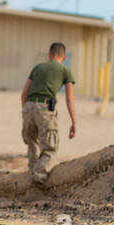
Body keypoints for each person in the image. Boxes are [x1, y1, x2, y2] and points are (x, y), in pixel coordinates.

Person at [20, 42, 77, 185]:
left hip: (28, 107)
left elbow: (24, 94)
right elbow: (69, 99)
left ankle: (31, 175)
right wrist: (74, 122)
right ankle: (37, 183)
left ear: (49, 54)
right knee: (50, 149)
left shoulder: (37, 68)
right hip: (45, 108)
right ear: (63, 57)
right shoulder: (65, 70)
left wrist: (26, 111)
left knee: (32, 144)